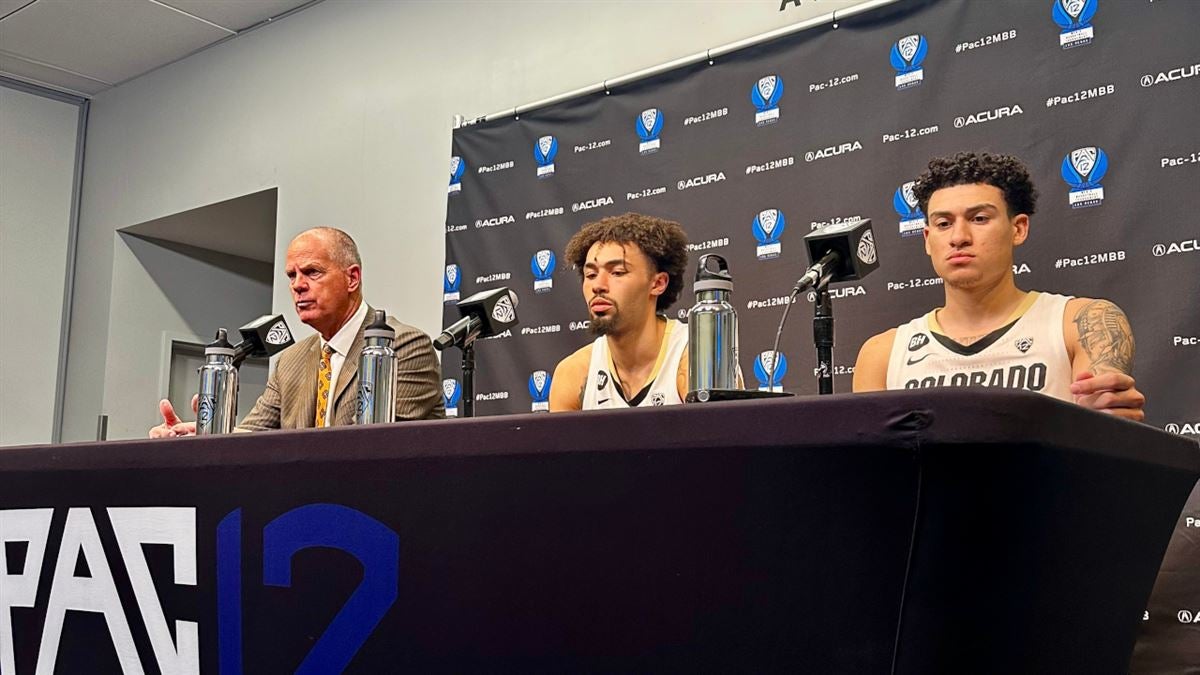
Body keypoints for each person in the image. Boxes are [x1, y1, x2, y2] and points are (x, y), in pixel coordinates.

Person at [852, 152, 1145, 419]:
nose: (959, 237)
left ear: (1018, 228)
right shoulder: (883, 353)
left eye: (979, 218)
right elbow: (873, 469)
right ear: (927, 239)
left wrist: (1107, 416)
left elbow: (1101, 425)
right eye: (943, 224)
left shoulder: (1079, 321)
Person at [150, 227, 443, 436]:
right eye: (292, 275)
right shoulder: (290, 360)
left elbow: (375, 443)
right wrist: (205, 436)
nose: (298, 285)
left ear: (352, 278)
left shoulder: (403, 345)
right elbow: (254, 433)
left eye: (312, 272)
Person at [549, 213, 690, 410]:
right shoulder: (574, 372)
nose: (598, 286)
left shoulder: (692, 359)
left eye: (617, 272)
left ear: (658, 283)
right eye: (591, 274)